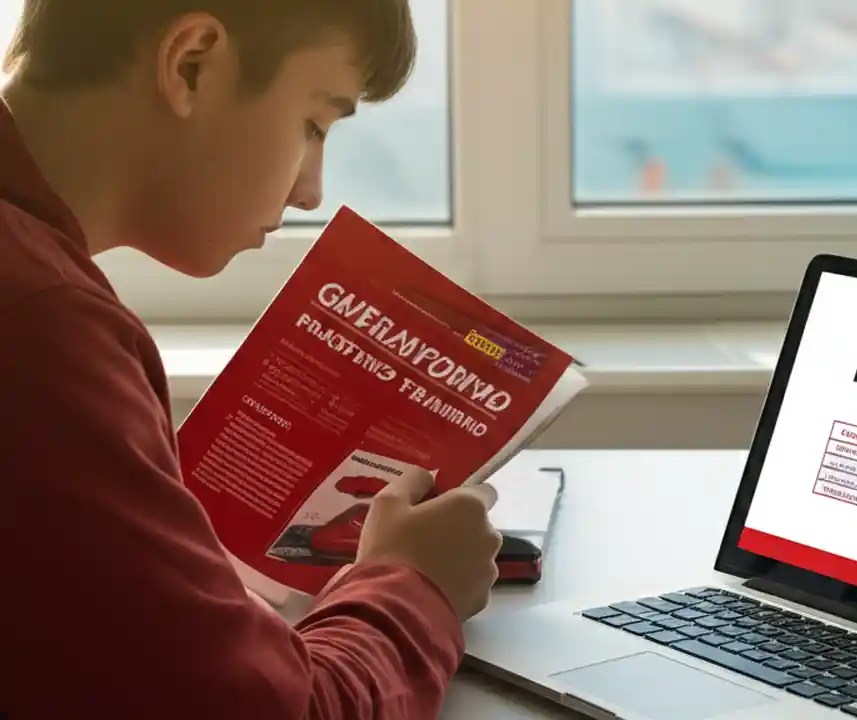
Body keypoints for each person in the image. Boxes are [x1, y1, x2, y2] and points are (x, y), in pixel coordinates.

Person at [0, 2, 503, 718]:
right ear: (192, 64)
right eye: (314, 124)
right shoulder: (41, 325)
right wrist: (415, 584)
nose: (310, 192)